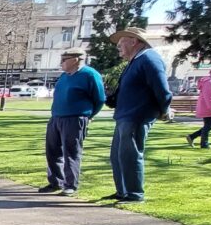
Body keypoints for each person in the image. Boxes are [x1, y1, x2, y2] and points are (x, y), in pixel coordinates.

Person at [107, 27, 172, 203]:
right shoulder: (135, 61)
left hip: (137, 115)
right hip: (125, 115)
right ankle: (123, 191)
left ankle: (135, 194)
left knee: (130, 155)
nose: (118, 47)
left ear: (134, 41)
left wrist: (164, 109)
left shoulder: (149, 59)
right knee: (118, 156)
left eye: (121, 43)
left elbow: (162, 90)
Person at [40, 50, 106, 197]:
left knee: (71, 152)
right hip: (57, 117)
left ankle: (70, 185)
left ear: (76, 60)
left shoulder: (89, 74)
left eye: (64, 59)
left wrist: (89, 115)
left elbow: (100, 98)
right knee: (52, 151)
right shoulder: (64, 76)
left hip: (75, 118)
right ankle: (55, 181)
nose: (61, 62)